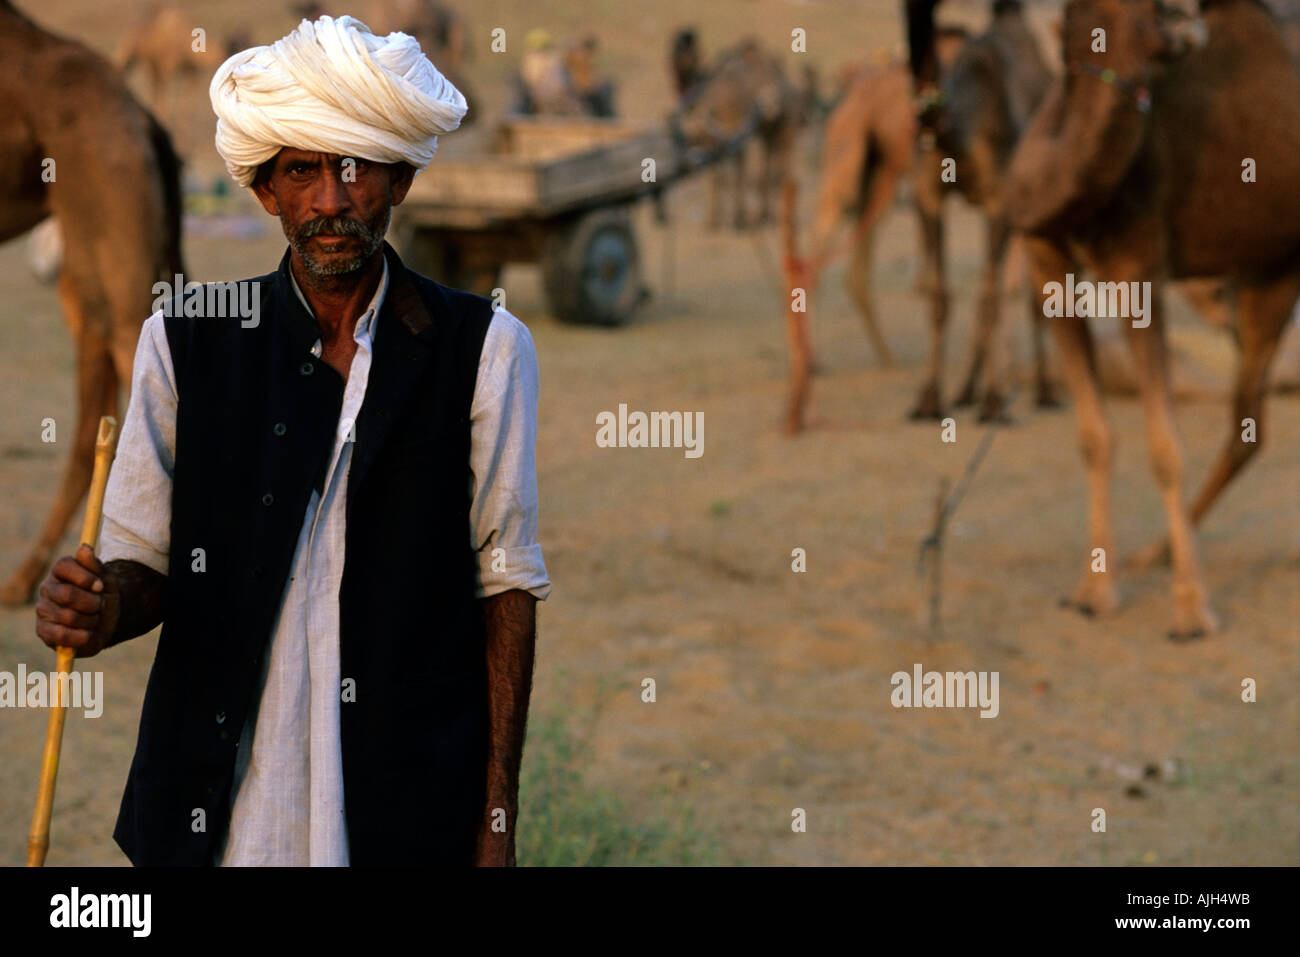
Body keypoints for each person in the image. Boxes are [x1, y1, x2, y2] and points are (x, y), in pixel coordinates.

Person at [32, 14, 550, 867]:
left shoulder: (488, 349)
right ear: (267, 190)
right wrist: (100, 607)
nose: (333, 201)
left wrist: (496, 819)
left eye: (357, 168)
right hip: (222, 813)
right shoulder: (185, 340)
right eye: (303, 171)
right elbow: (141, 562)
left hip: (404, 806)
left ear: (400, 178)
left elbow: (506, 585)